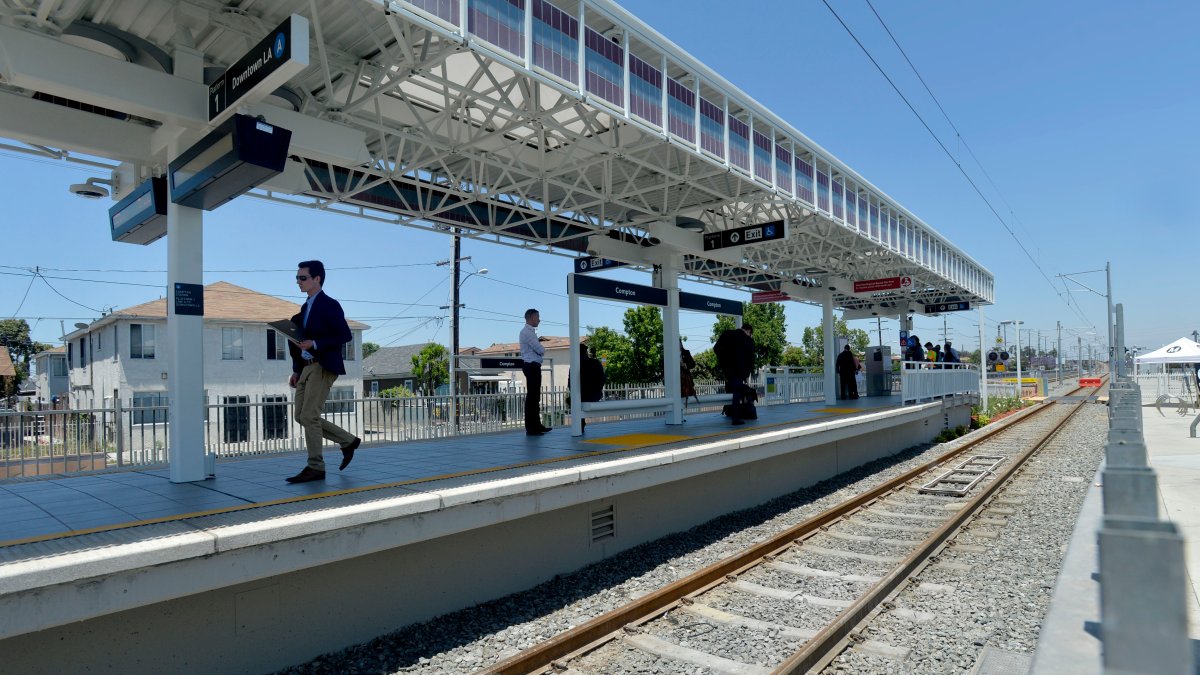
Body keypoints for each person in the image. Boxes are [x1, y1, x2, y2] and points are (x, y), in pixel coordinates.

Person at [285, 260, 361, 484]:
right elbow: (300, 341)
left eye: (303, 278)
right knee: (301, 416)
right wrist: (297, 370)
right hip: (306, 367)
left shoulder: (330, 304)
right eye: (297, 278)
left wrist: (315, 344)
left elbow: (344, 335)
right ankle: (347, 440)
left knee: (309, 416)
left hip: (323, 365)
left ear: (317, 278)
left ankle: (315, 467)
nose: (298, 282)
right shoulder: (305, 308)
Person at [715, 322, 755, 425]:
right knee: (737, 393)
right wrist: (746, 375)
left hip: (726, 371)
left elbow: (716, 349)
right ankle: (736, 418)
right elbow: (750, 360)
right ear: (749, 331)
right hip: (739, 372)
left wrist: (723, 362)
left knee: (731, 389)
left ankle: (730, 412)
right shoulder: (748, 340)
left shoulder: (726, 334)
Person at [520, 308, 552, 435]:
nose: (539, 319)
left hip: (533, 366)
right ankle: (531, 428)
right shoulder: (527, 333)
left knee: (535, 397)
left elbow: (538, 350)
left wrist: (539, 351)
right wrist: (541, 351)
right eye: (538, 317)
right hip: (531, 366)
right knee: (532, 398)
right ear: (531, 317)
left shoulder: (531, 332)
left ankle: (536, 425)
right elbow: (540, 349)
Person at [574, 342, 606, 432]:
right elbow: (602, 378)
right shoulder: (595, 362)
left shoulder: (575, 364)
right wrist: (597, 390)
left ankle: (580, 423)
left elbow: (570, 383)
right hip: (595, 395)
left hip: (581, 397)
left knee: (576, 399)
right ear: (586, 352)